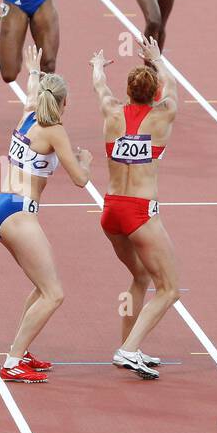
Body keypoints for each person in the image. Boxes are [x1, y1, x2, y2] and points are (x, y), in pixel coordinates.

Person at [0, 46, 92, 382]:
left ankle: (23, 351)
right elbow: (79, 180)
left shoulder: (29, 114)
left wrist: (33, 71)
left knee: (40, 285)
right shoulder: (54, 130)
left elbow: (31, 95)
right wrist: (87, 162)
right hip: (19, 212)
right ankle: (12, 361)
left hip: (3, 207)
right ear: (64, 104)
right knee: (54, 293)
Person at [91, 38, 179, 380]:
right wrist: (158, 59)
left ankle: (130, 345)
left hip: (110, 209)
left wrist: (98, 66)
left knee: (141, 275)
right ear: (153, 92)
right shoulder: (163, 114)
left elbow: (99, 87)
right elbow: (172, 87)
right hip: (140, 212)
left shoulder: (112, 111)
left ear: (127, 92)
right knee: (169, 288)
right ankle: (127, 350)